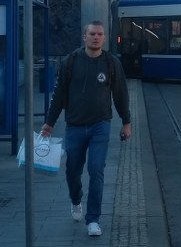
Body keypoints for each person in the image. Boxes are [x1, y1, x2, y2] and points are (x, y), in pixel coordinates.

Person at [41, 20, 132, 237]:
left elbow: (120, 94)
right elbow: (59, 95)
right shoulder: (70, 61)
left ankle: (93, 220)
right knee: (73, 170)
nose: (96, 37)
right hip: (74, 126)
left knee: (96, 170)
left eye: (100, 34)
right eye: (92, 34)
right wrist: (49, 122)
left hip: (101, 125)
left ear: (104, 37)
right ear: (84, 37)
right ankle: (76, 199)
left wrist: (126, 122)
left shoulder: (111, 63)